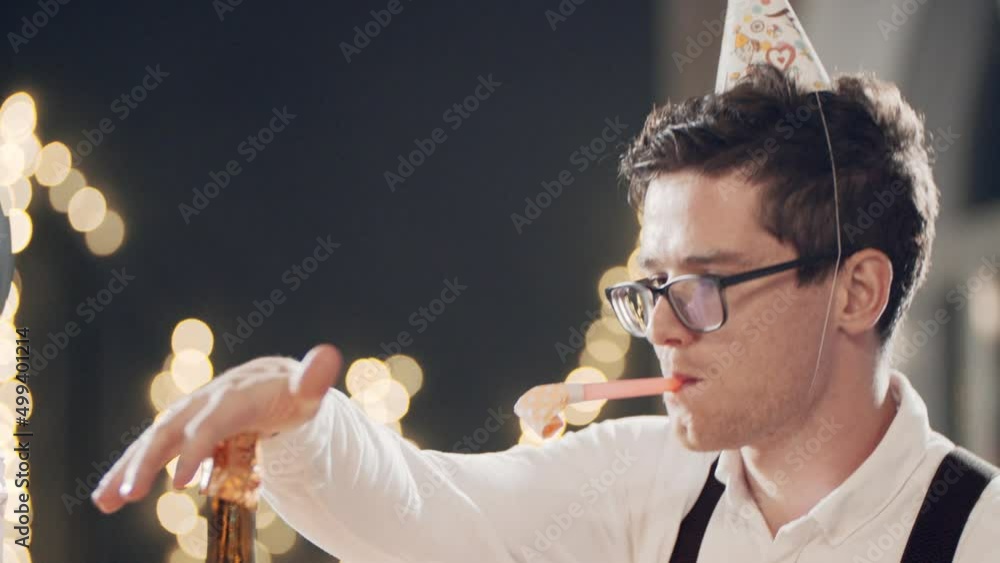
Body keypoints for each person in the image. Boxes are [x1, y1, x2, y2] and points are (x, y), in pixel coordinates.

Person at [91, 2, 999, 561]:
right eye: (652, 286)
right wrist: (299, 421)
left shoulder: (979, 532)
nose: (664, 329)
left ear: (856, 292)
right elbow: (423, 510)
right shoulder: (643, 483)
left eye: (706, 284)